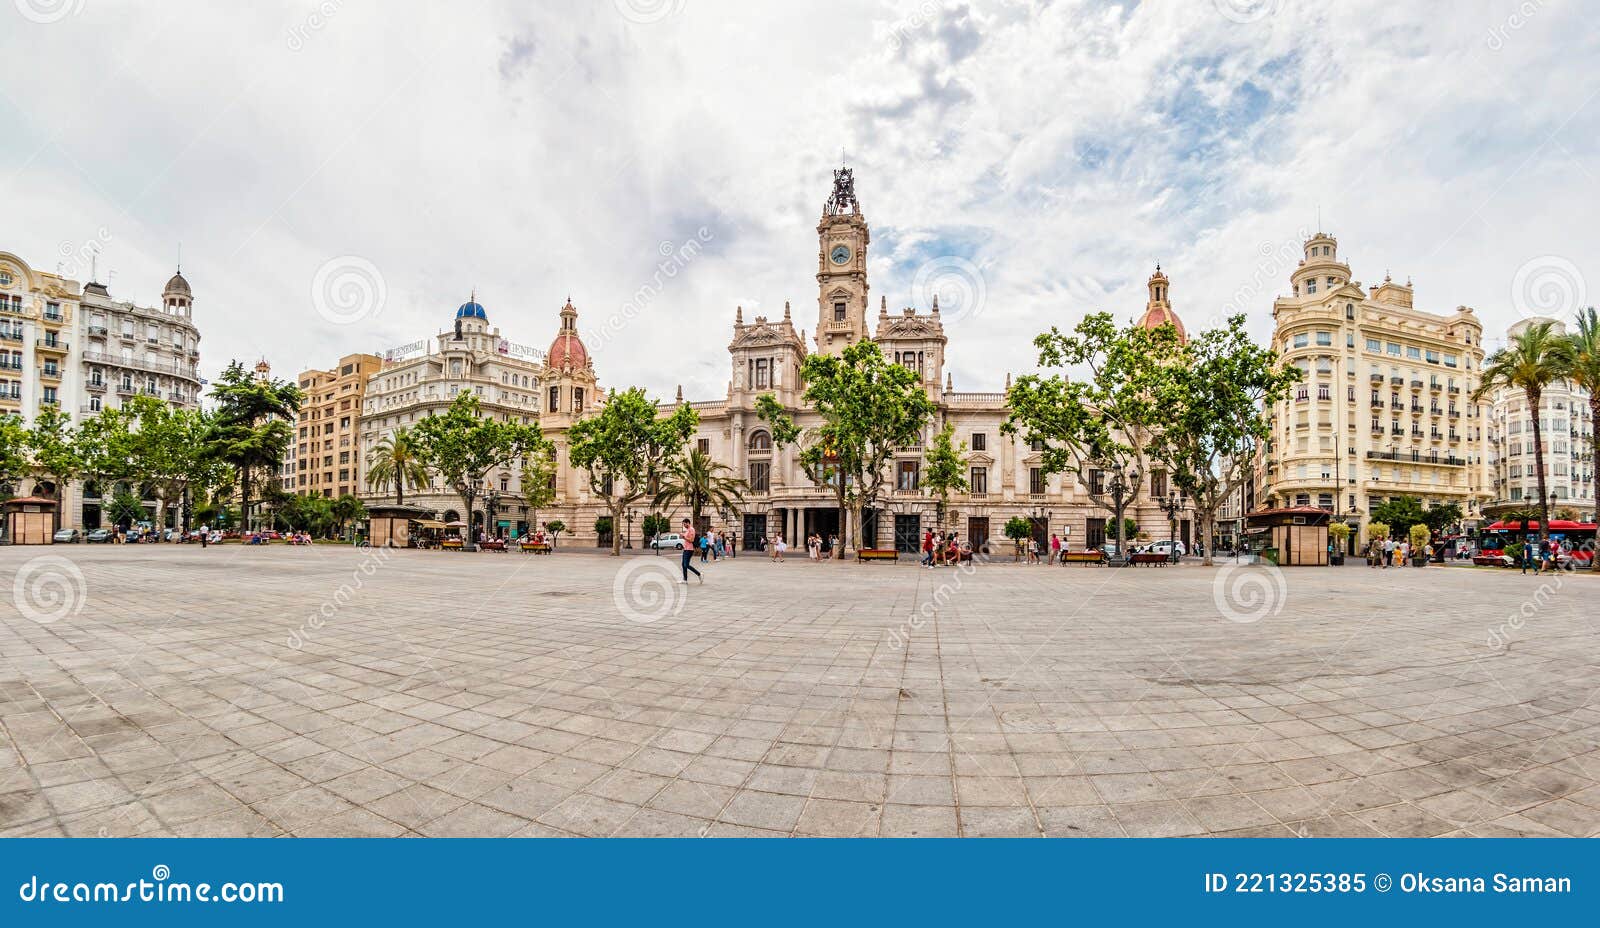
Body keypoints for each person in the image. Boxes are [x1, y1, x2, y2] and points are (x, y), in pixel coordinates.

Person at [678, 518, 703, 584]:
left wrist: (684, 537)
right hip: (686, 549)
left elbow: (691, 540)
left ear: (688, 523)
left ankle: (699, 574)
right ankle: (685, 580)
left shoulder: (691, 529)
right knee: (683, 565)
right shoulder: (687, 530)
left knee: (686, 565)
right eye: (683, 524)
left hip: (689, 549)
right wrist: (683, 536)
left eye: (684, 524)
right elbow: (687, 539)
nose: (684, 525)